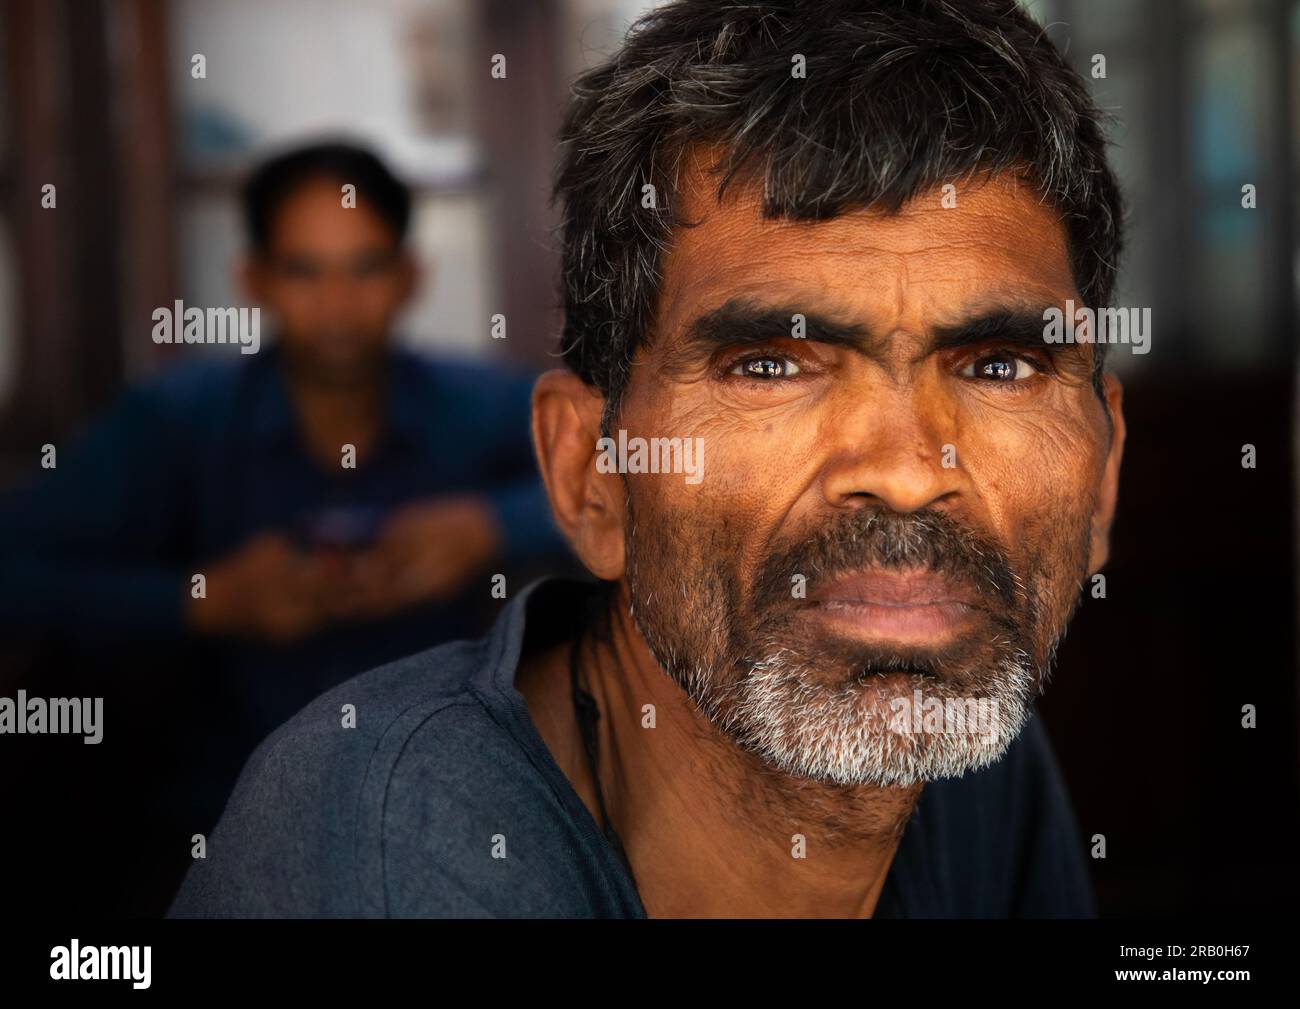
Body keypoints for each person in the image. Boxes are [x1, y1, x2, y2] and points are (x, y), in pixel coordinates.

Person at [169, 0, 1126, 918]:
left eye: (1001, 366)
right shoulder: (392, 840)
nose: (911, 470)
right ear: (592, 476)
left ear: (1104, 478)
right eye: (770, 366)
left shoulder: (971, 753)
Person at [0, 141, 567, 821]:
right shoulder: (180, 423)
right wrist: (203, 601)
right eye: (305, 272)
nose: (337, 306)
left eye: (365, 268)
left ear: (411, 277)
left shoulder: (477, 408)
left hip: (443, 807)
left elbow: (633, 478)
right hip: (220, 822)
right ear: (254, 280)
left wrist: (486, 528)